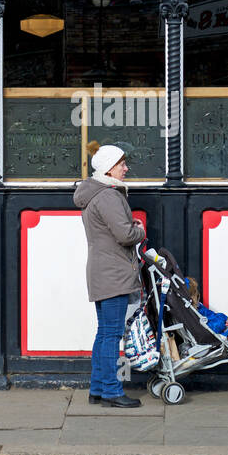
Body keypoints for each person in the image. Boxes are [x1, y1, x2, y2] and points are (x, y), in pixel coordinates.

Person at [73, 141, 145, 408]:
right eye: (122, 164)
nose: (126, 168)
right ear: (109, 168)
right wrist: (139, 230)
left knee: (104, 333)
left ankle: (98, 389)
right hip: (114, 273)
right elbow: (125, 235)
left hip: (101, 271)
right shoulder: (109, 196)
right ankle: (112, 392)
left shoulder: (94, 194)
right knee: (112, 335)